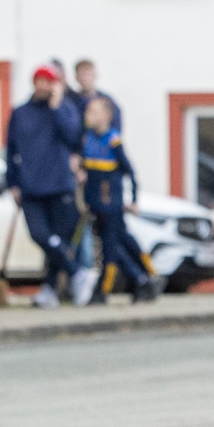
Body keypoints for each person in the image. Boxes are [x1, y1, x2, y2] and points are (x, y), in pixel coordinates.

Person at [5, 65, 86, 308]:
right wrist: (13, 182)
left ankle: (49, 289)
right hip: (31, 185)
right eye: (39, 80)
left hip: (60, 184)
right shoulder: (20, 113)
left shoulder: (64, 109)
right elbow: (11, 150)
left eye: (48, 81)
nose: (43, 86)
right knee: (41, 235)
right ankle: (77, 273)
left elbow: (73, 138)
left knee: (57, 239)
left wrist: (58, 107)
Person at [80, 97, 158, 303]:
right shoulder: (87, 140)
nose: (88, 117)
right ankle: (143, 279)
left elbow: (130, 171)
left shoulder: (113, 141)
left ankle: (105, 291)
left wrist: (133, 199)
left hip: (111, 205)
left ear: (106, 116)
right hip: (97, 205)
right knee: (120, 243)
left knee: (111, 249)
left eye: (93, 113)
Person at [67, 59, 122, 133]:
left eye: (87, 74)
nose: (84, 78)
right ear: (76, 77)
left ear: (95, 75)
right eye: (81, 75)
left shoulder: (107, 100)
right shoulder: (72, 101)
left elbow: (116, 128)